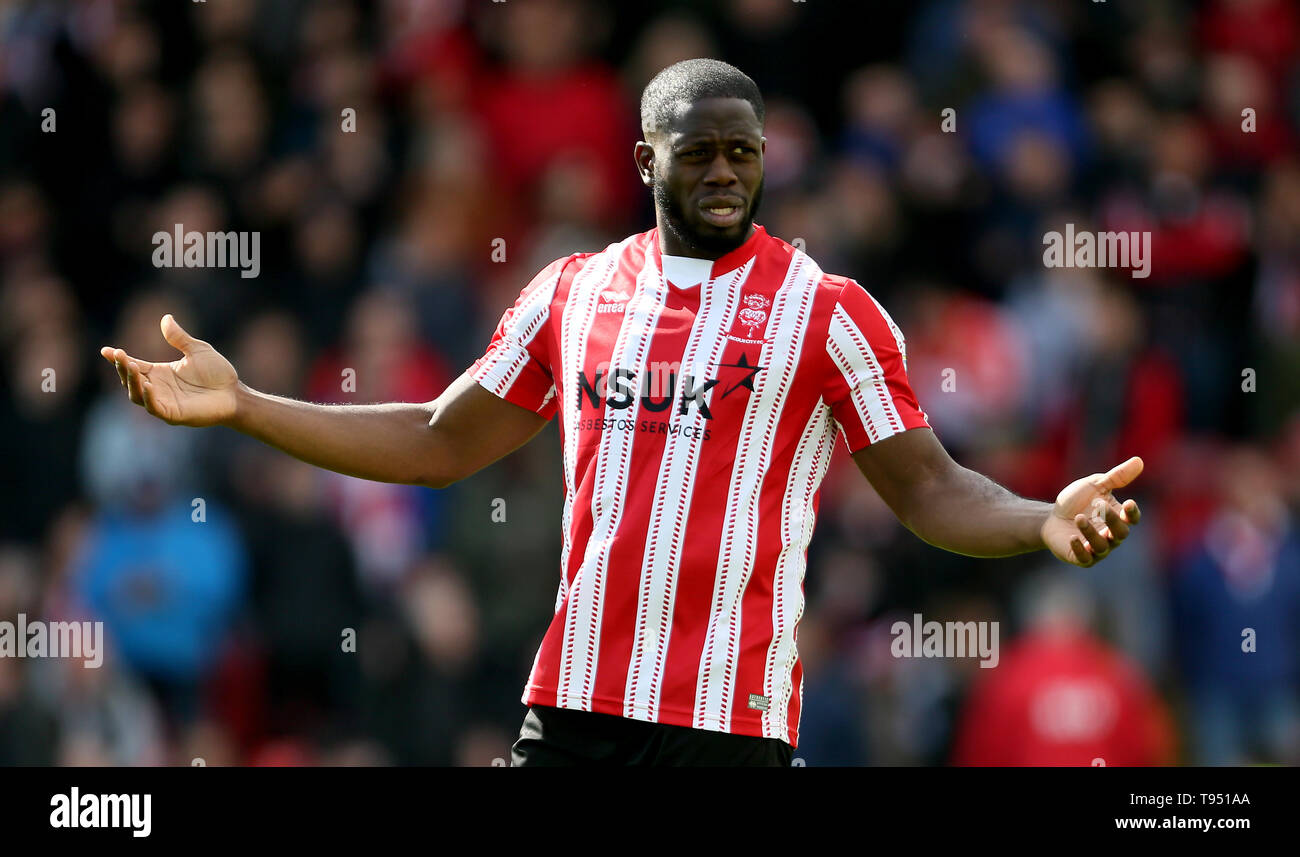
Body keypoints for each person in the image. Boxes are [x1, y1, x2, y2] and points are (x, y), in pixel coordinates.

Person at [99, 59, 1143, 767]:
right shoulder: (574, 290)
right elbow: (437, 440)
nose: (726, 171)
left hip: (727, 727)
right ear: (646, 159)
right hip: (575, 707)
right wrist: (245, 407)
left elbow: (930, 487)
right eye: (699, 151)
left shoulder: (827, 311)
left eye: (743, 151)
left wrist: (1041, 517)